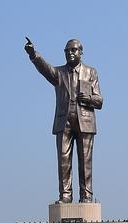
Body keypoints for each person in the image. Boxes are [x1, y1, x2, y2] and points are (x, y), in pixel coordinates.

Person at [24, 37, 103, 203]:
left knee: (85, 162)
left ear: (81, 52)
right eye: (67, 51)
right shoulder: (59, 73)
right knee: (63, 161)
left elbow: (100, 101)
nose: (70, 53)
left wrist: (88, 98)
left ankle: (86, 195)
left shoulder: (91, 72)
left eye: (73, 50)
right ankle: (65, 195)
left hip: (85, 121)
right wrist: (33, 55)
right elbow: (45, 70)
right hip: (64, 121)